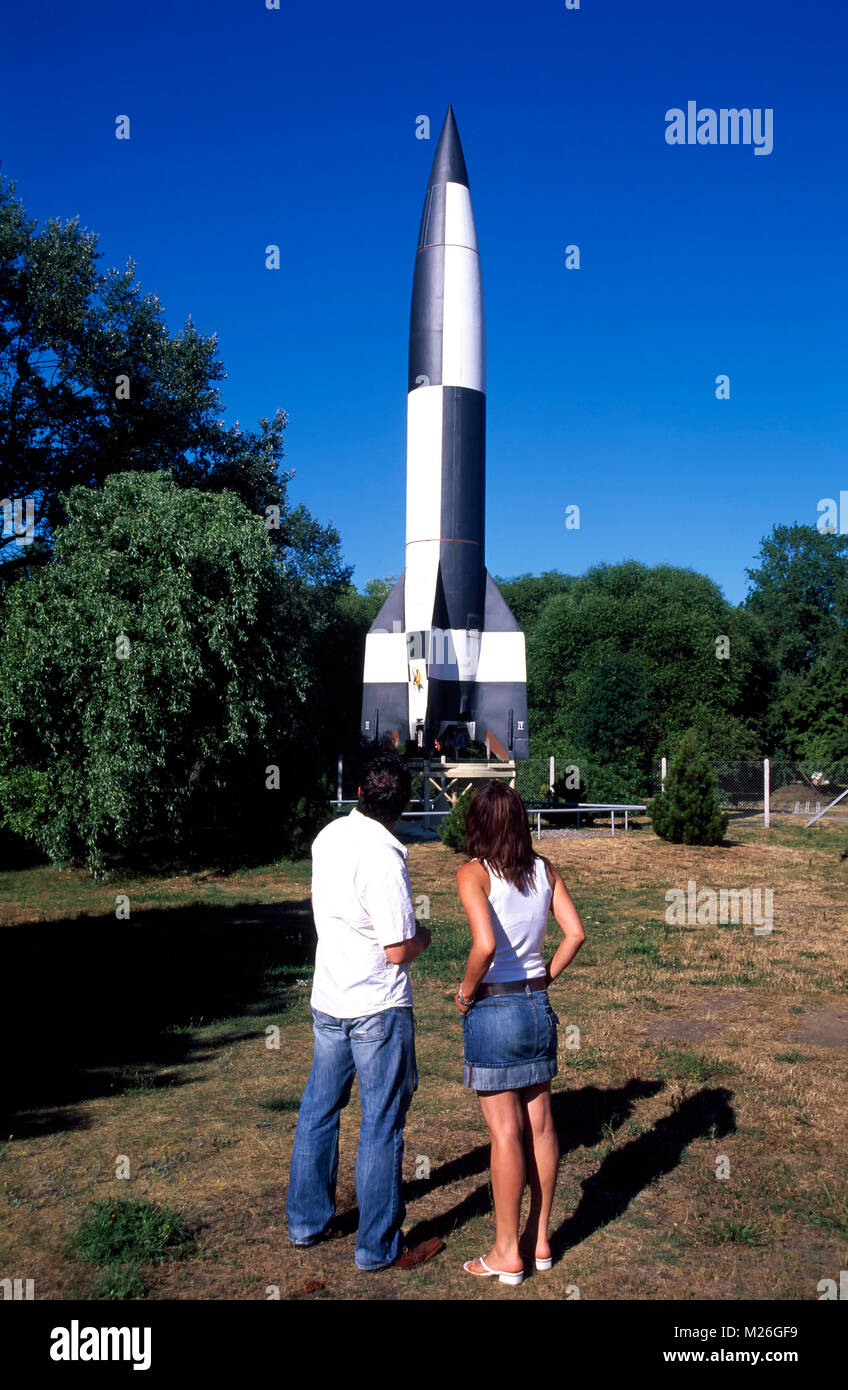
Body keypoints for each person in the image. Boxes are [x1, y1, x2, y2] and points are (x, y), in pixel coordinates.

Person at [286, 750, 442, 1272]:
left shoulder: (328, 838)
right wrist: (424, 935)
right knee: (381, 1123)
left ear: (358, 793)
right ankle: (377, 1247)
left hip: (330, 998)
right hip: (376, 1005)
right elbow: (397, 947)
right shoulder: (384, 857)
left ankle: (305, 1223)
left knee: (318, 1110)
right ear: (402, 804)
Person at [454, 781, 586, 1286]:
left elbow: (484, 946)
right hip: (537, 1006)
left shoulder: (472, 874)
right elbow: (575, 933)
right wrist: (544, 976)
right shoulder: (545, 870)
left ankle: (507, 1252)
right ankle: (540, 1238)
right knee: (542, 1127)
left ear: (478, 824)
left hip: (494, 1008)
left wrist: (466, 994)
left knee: (504, 1133)